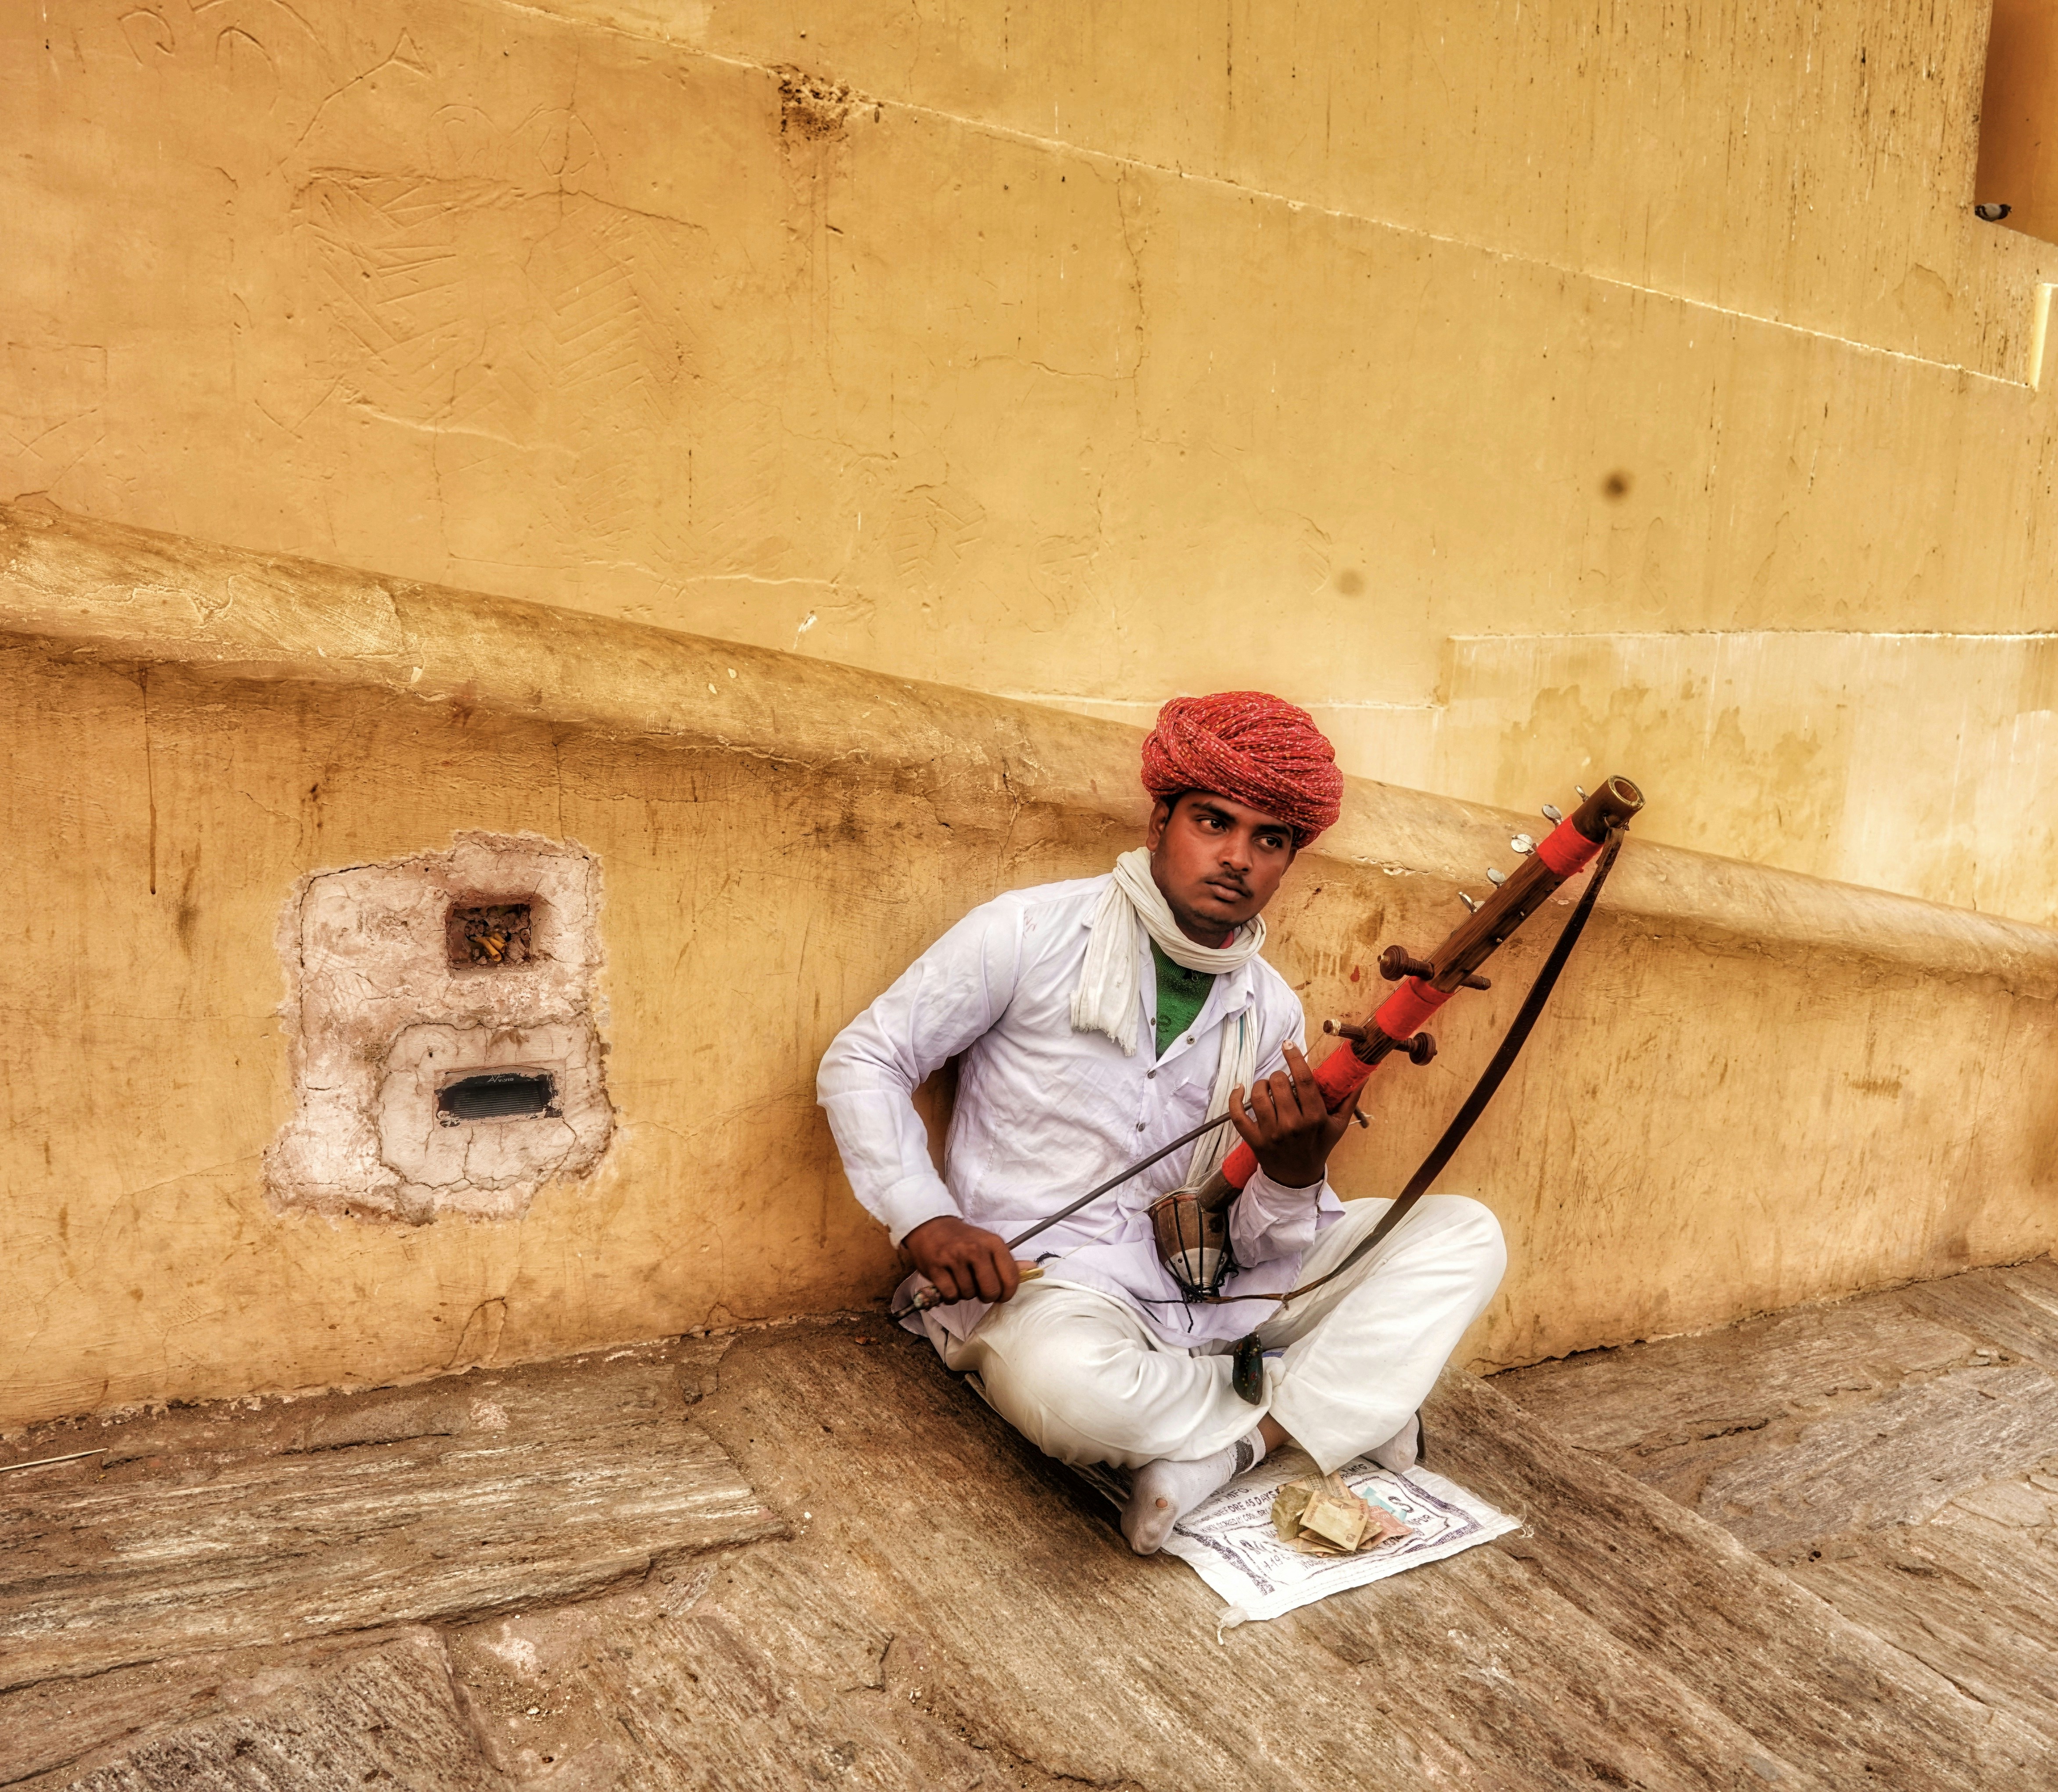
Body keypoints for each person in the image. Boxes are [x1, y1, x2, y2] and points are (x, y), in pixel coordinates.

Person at [817, 692, 1506, 1554]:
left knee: (1462, 1234)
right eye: (1213, 820)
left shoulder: (1272, 1010)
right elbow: (866, 1058)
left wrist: (1291, 1177)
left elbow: (1259, 1247)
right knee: (1067, 1393)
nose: (1237, 857)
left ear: (1288, 859)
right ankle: (1332, 1401)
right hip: (1050, 1291)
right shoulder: (1028, 934)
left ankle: (1238, 1450)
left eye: (1270, 838)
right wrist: (926, 1217)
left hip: (1206, 1282)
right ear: (1160, 819)